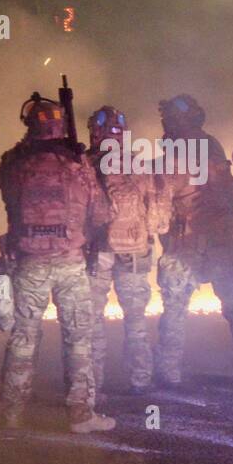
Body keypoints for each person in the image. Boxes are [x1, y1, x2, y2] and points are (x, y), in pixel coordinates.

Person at [0, 94, 114, 431]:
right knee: (78, 338)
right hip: (70, 262)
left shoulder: (13, 163)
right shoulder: (79, 164)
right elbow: (102, 212)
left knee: (23, 338)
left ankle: (12, 413)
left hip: (29, 262)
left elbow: (4, 191)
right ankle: (80, 414)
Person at [155, 94, 233, 385]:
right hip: (220, 240)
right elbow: (230, 195)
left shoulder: (165, 158)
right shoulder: (211, 147)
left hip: (185, 243)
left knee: (175, 312)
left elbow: (157, 209)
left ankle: (168, 375)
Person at [85, 106, 165, 392]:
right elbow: (159, 220)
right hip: (135, 251)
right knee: (137, 321)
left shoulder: (83, 165)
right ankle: (141, 381)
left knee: (91, 321)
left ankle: (92, 385)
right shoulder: (140, 166)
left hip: (97, 252)